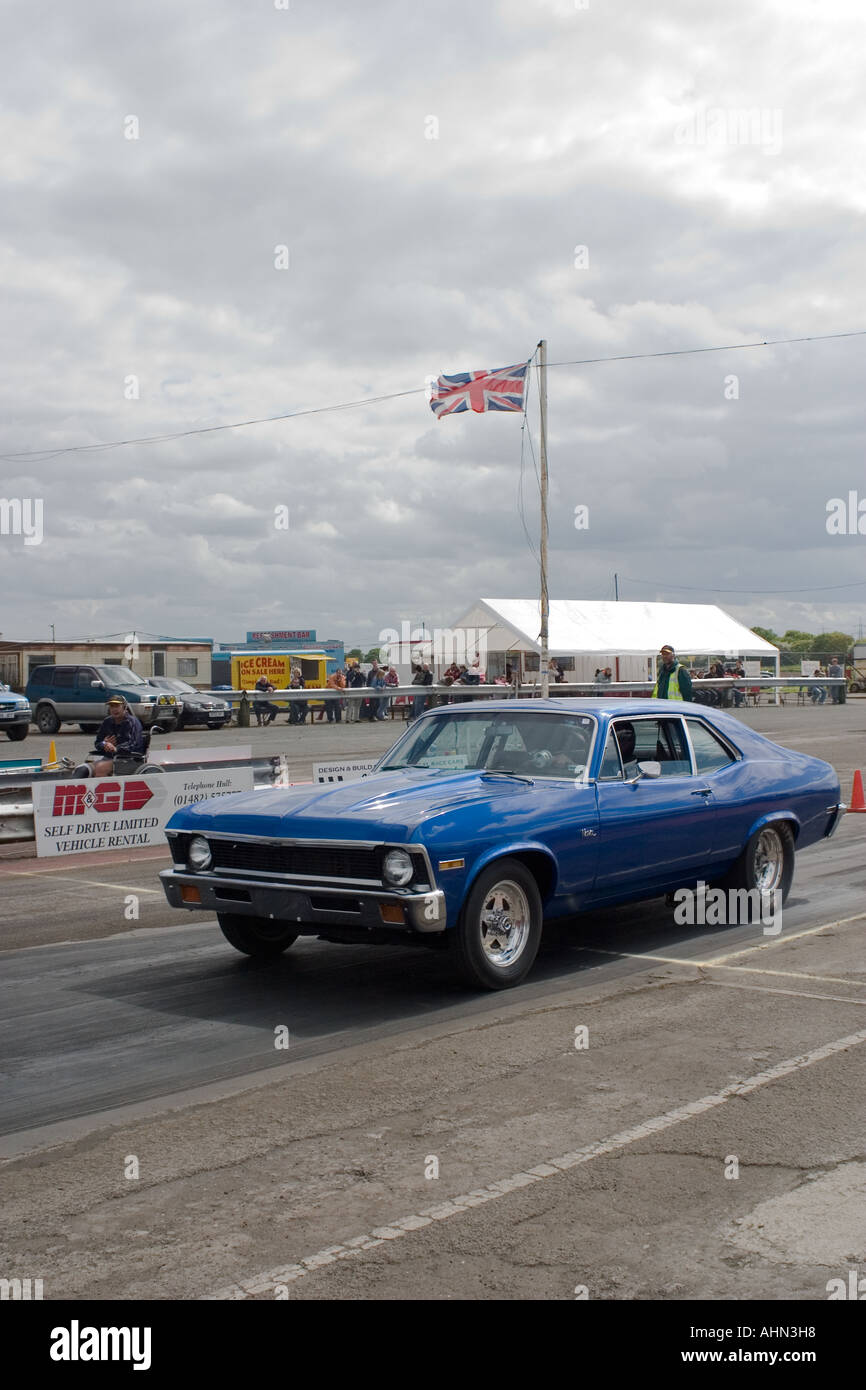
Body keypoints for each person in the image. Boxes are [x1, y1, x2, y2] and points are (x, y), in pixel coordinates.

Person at [93, 695, 146, 775]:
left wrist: (115, 748)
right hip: (110, 758)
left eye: (117, 706)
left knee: (100, 768)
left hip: (130, 759)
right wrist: (104, 744)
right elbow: (97, 743)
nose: (114, 709)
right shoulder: (107, 721)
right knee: (83, 769)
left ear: (124, 707)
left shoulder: (132, 722)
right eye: (111, 706)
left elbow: (133, 744)